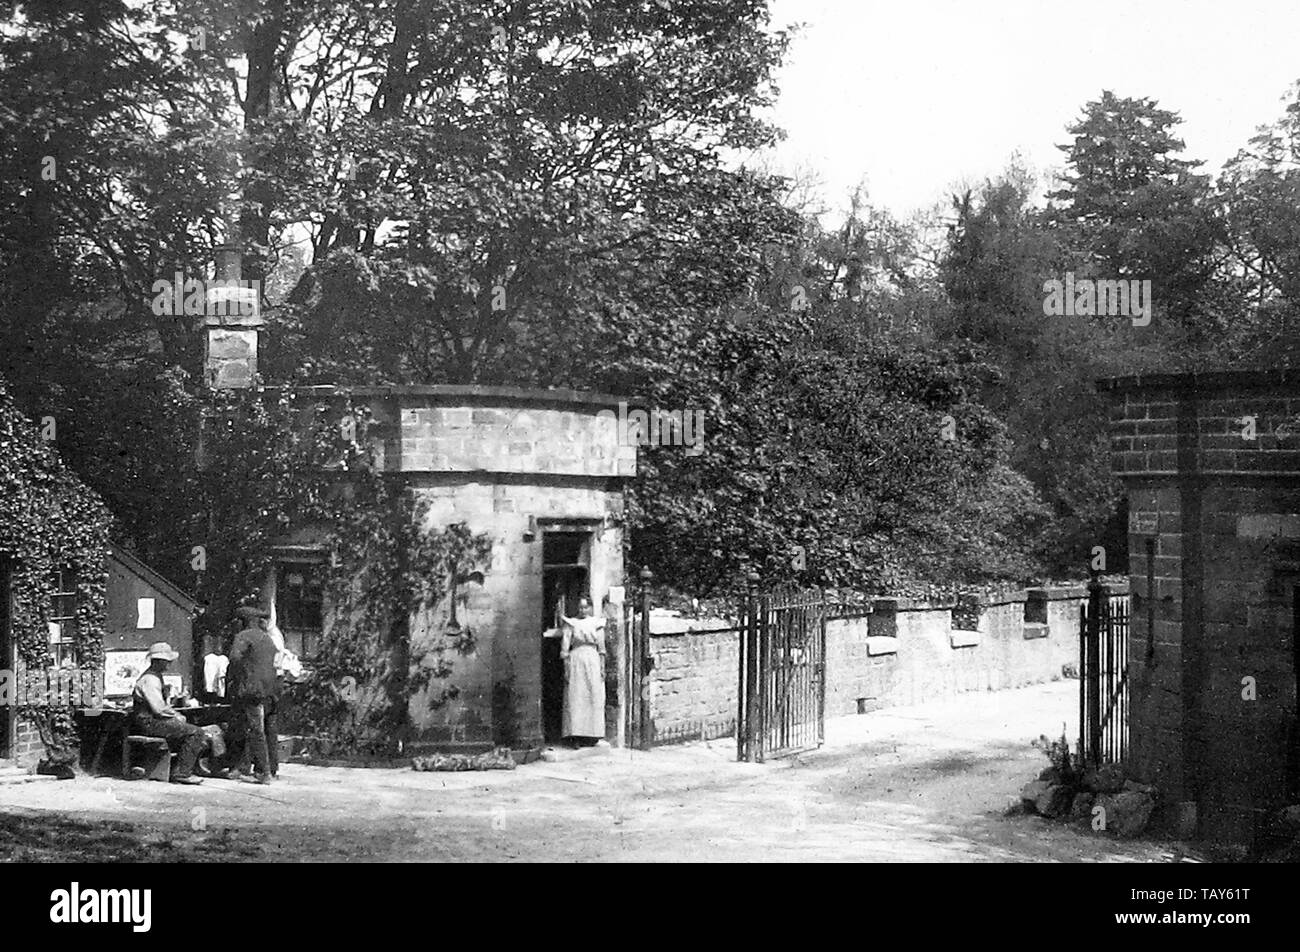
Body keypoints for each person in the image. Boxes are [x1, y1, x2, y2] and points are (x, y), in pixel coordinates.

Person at [130, 642, 207, 785]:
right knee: (196, 732)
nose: (169, 664)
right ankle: (182, 773)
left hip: (151, 720)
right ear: (158, 661)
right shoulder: (150, 679)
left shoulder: (156, 676)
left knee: (188, 729)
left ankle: (182, 768)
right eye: (167, 661)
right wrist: (176, 715)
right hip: (149, 721)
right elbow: (158, 709)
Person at [227, 605, 280, 784]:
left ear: (242, 621)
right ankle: (270, 768)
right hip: (272, 690)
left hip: (252, 690)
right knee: (269, 730)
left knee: (254, 729)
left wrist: (236, 677)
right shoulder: (268, 639)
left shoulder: (243, 636)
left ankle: (263, 773)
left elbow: (234, 658)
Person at [560, 595, 607, 746]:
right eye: (580, 607)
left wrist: (602, 666)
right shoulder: (571, 623)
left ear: (591, 608)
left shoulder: (597, 623)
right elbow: (565, 647)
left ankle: (592, 734)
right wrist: (566, 666)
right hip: (576, 659)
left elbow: (601, 648)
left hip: (592, 659)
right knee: (576, 696)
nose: (583, 610)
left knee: (593, 694)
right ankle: (575, 736)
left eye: (586, 607)